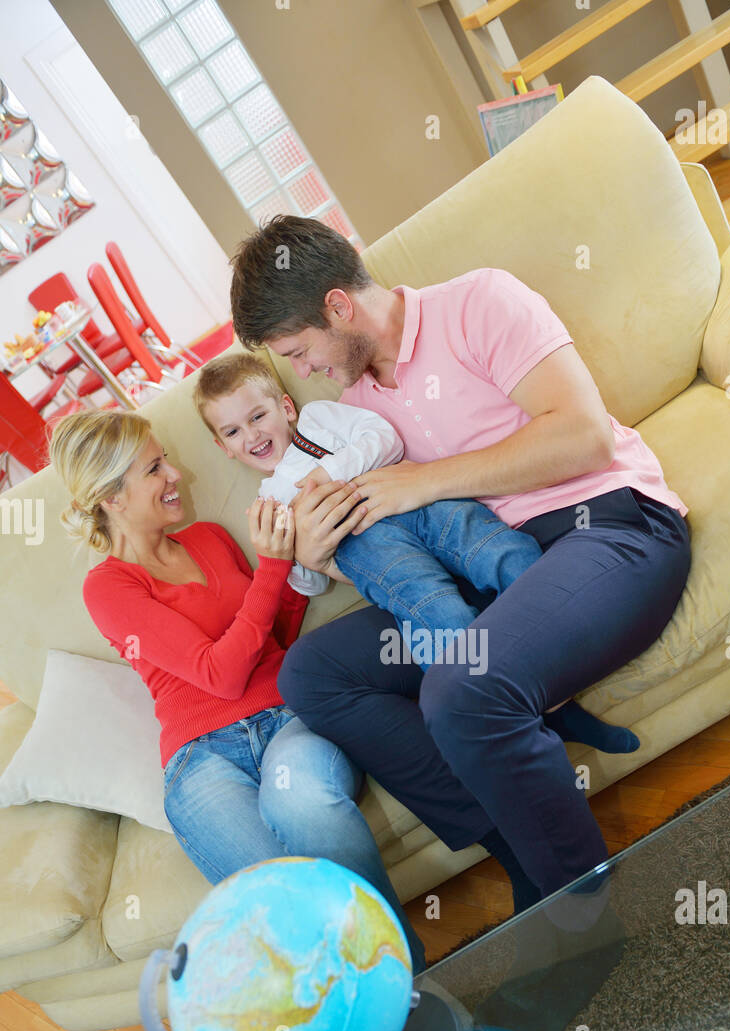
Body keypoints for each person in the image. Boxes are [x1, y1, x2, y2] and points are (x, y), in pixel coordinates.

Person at [229, 216, 693, 916]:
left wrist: (425, 479)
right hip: (483, 571)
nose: (301, 372)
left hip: (606, 525)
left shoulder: (478, 303)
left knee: (459, 687)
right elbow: (398, 558)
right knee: (313, 675)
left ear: (337, 306)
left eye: (298, 350)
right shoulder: (349, 414)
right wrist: (321, 552)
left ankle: (583, 912)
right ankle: (518, 847)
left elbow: (584, 436)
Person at [50, 407, 427, 973]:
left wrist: (298, 564)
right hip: (201, 761)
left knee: (302, 804)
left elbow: (270, 636)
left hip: (287, 718)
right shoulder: (108, 587)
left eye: (166, 460)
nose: (175, 474)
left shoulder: (208, 538)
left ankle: (408, 973)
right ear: (113, 498)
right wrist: (274, 567)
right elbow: (219, 673)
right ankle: (365, 1017)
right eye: (155, 469)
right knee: (285, 902)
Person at [194, 353, 638, 750]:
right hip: (369, 545)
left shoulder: (318, 421)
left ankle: (566, 677)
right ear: (222, 448)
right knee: (436, 614)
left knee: (503, 552)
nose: (251, 434)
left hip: (415, 499)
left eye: (258, 416)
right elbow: (307, 584)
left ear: (285, 408)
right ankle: (529, 722)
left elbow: (383, 438)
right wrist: (292, 556)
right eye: (233, 431)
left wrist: (329, 474)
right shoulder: (268, 504)